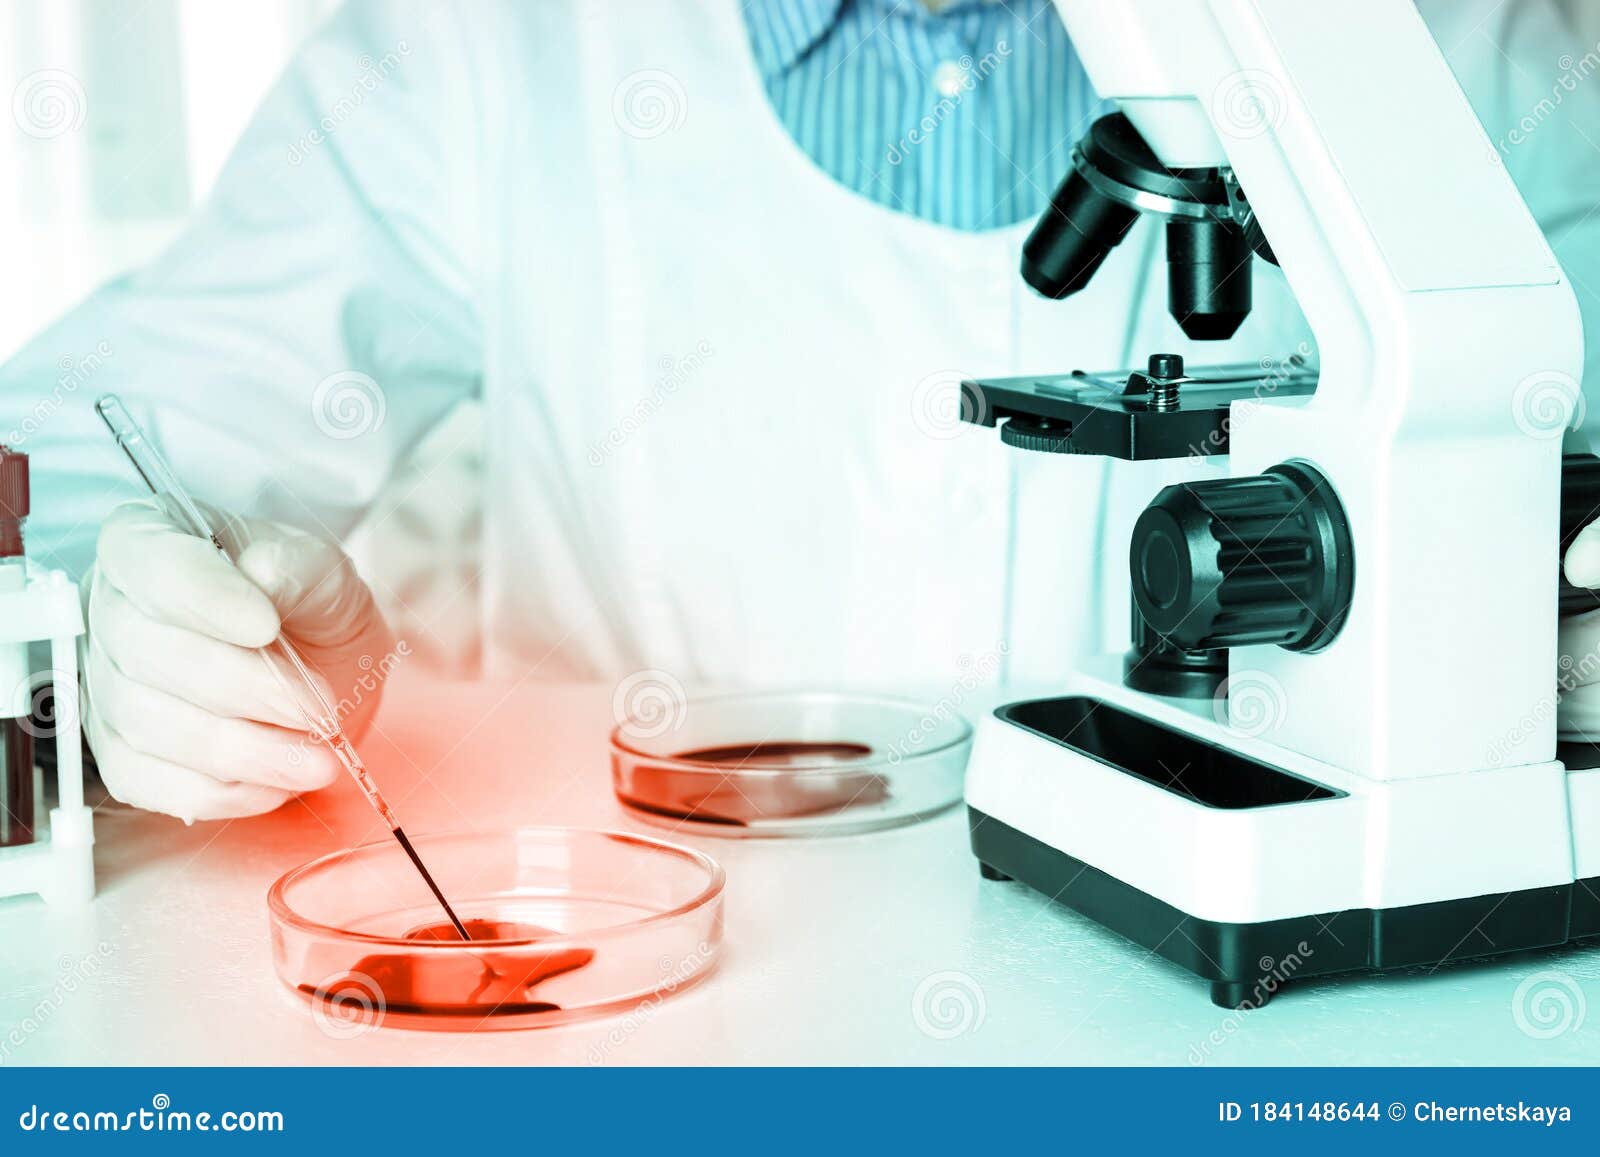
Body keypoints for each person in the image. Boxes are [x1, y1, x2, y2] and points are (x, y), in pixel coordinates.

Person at [2, 0, 1597, 821]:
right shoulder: (482, 43)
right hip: (645, 1015)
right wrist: (127, 628)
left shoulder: (1449, 40)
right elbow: (67, 455)